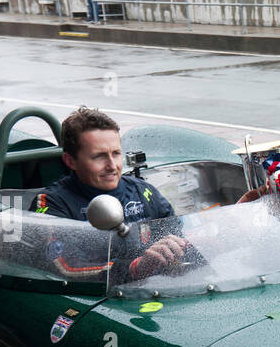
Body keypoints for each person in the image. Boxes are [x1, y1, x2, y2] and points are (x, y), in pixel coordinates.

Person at [31, 107, 186, 281]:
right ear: (70, 161)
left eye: (116, 153)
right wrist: (136, 268)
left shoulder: (143, 191)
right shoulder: (52, 204)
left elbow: (178, 238)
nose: (112, 165)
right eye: (99, 156)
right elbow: (63, 266)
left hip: (155, 291)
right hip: (98, 301)